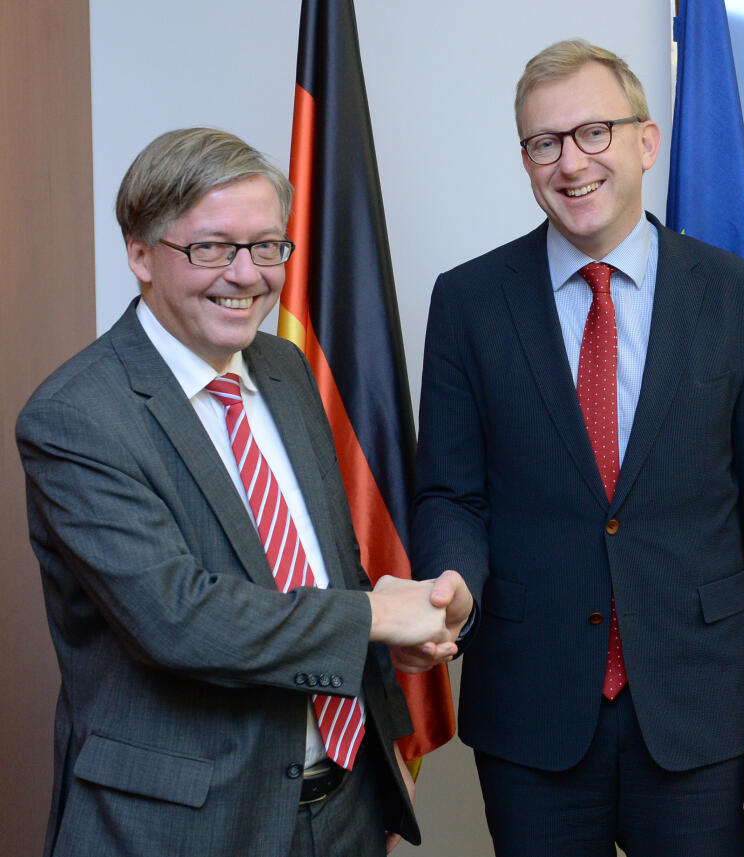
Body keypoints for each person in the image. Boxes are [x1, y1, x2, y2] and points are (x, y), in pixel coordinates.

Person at [408, 39, 744, 857]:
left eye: (595, 131)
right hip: (533, 712)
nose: (572, 162)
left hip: (706, 714)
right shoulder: (468, 302)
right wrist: (454, 580)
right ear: (526, 159)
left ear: (646, 141)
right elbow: (450, 493)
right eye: (545, 142)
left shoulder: (736, 296)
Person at [16, 127, 468, 857]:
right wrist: (371, 616)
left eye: (267, 245)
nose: (247, 274)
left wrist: (383, 754)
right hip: (178, 827)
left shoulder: (286, 370)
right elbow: (178, 617)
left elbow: (331, 573)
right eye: (211, 247)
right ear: (140, 254)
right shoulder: (76, 415)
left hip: (343, 806)